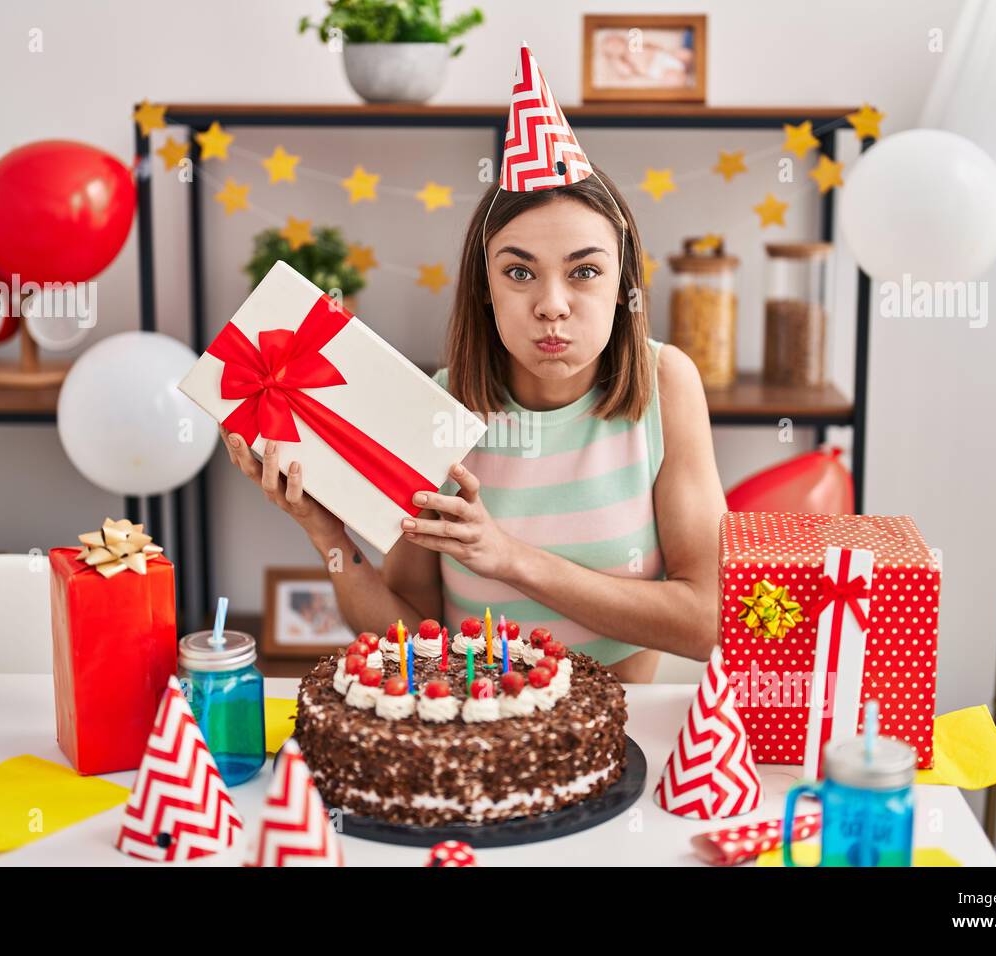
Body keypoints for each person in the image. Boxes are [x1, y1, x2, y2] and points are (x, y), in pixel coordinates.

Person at [222, 46, 727, 682]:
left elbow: (707, 620)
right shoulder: (438, 408)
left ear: (623, 280)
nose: (551, 306)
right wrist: (327, 535)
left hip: (624, 740)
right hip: (477, 735)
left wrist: (508, 558)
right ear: (485, 287)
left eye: (585, 272)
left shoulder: (666, 386)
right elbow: (409, 636)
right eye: (519, 272)